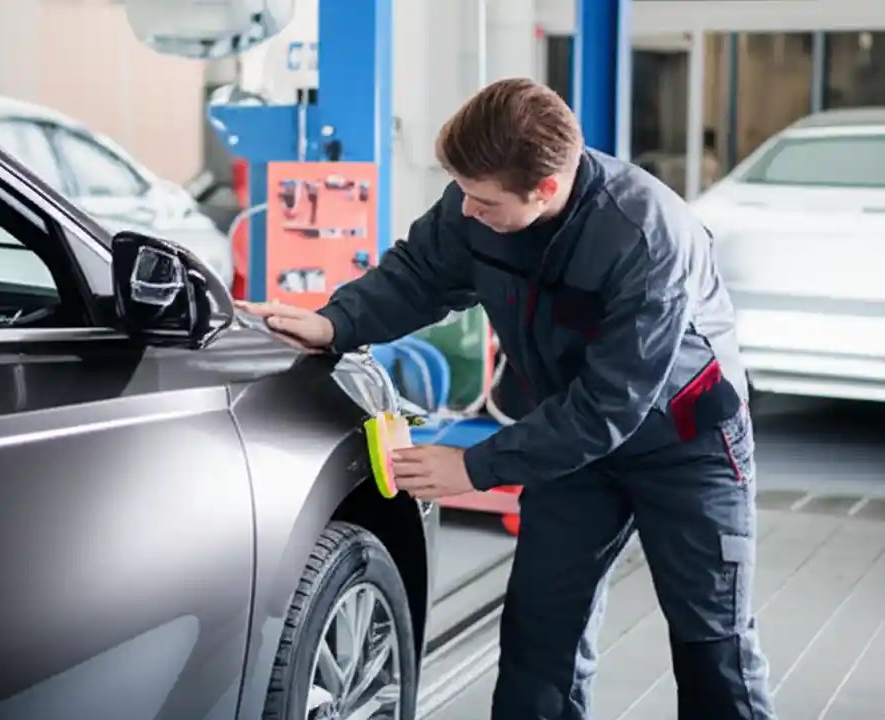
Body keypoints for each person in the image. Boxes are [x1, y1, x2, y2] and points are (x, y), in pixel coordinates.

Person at [237, 78, 775, 720]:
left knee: (712, 642)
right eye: (463, 192)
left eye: (482, 200)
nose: (466, 211)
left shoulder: (648, 238)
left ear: (546, 188)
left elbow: (612, 405)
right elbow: (418, 274)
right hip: (570, 444)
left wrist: (471, 467)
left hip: (686, 446)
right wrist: (334, 323)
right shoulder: (480, 201)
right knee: (540, 638)